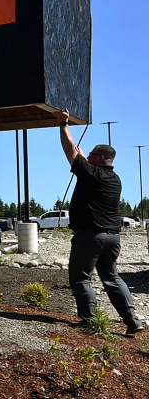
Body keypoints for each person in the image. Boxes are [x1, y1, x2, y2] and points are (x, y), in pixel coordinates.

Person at [54, 109, 144, 334]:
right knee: (112, 277)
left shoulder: (92, 174)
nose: (89, 155)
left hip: (90, 237)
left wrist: (63, 124)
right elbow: (82, 160)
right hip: (112, 237)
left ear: (102, 158)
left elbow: (70, 150)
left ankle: (89, 320)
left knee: (80, 278)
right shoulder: (114, 178)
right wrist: (84, 159)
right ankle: (132, 321)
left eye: (93, 154)